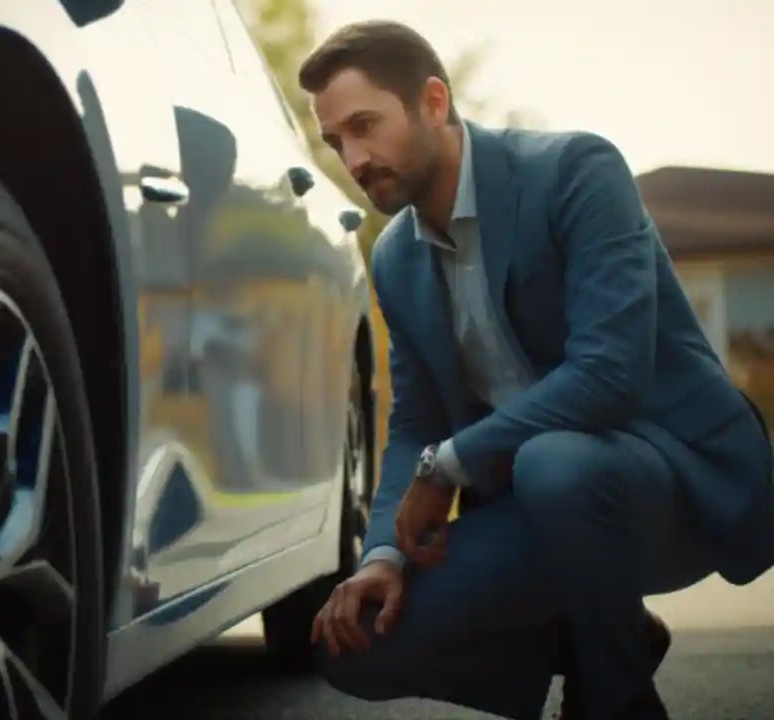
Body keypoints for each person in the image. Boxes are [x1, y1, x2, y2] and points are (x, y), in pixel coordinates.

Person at [300, 19, 774, 720]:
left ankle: (615, 700)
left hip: (671, 483)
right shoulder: (397, 257)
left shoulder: (576, 171)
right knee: (353, 645)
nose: (355, 156)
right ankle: (600, 629)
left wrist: (448, 465)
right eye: (336, 141)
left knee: (556, 464)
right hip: (539, 510)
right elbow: (417, 423)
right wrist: (380, 560)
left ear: (434, 101)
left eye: (366, 125)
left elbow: (609, 375)